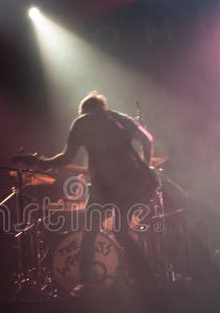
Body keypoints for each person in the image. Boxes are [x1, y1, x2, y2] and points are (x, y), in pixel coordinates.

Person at [26, 91, 159, 294]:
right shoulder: (119, 117)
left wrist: (40, 161)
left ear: (85, 110)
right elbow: (147, 141)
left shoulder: (82, 122)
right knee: (121, 231)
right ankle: (148, 275)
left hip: (104, 186)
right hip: (130, 184)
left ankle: (87, 283)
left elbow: (66, 159)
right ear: (102, 106)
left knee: (89, 232)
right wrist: (146, 165)